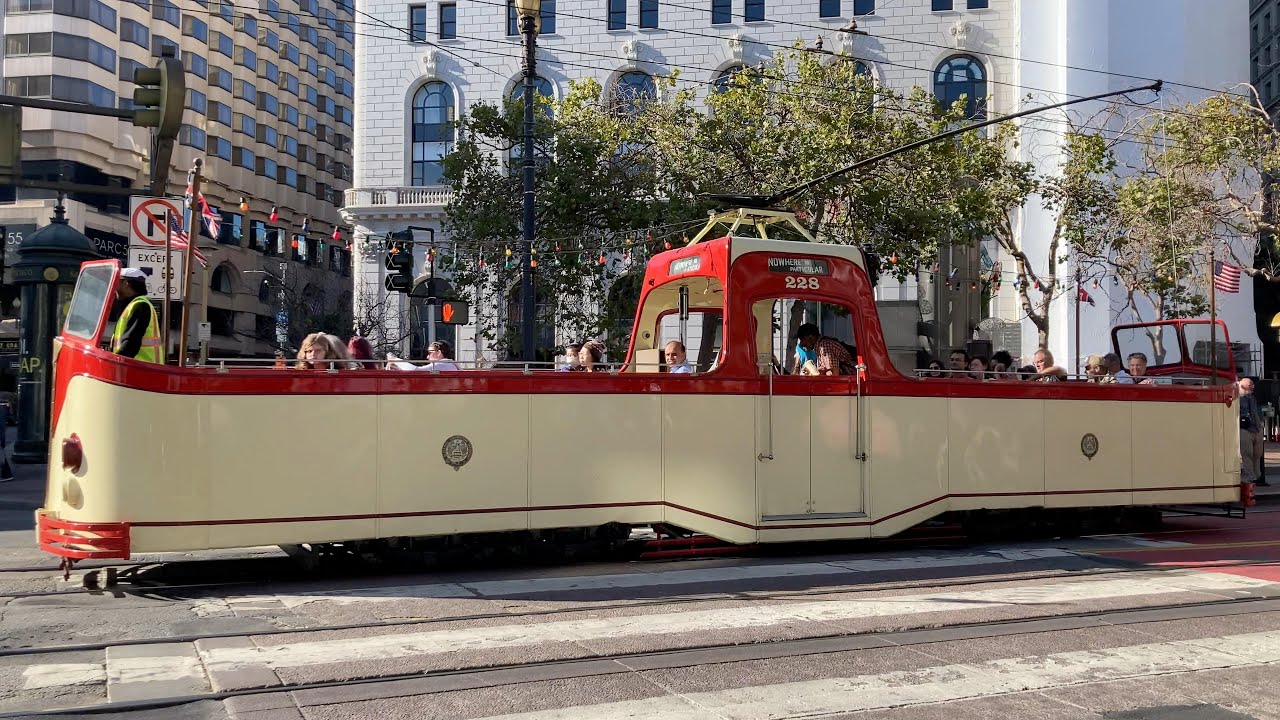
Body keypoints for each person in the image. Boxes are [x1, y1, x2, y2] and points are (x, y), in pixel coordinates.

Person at [111, 268, 162, 363]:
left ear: (126, 283)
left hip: (142, 370)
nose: (114, 287)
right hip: (136, 369)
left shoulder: (140, 306)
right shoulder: (131, 306)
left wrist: (113, 362)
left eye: (116, 282)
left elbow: (130, 344)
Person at [1239, 377, 1266, 486]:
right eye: (1250, 387)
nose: (1252, 389)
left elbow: (1255, 411)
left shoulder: (1252, 397)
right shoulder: (1237, 397)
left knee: (1257, 453)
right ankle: (1249, 477)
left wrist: (1259, 425)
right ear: (1242, 386)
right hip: (1244, 429)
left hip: (1256, 428)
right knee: (1247, 453)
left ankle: (1256, 475)